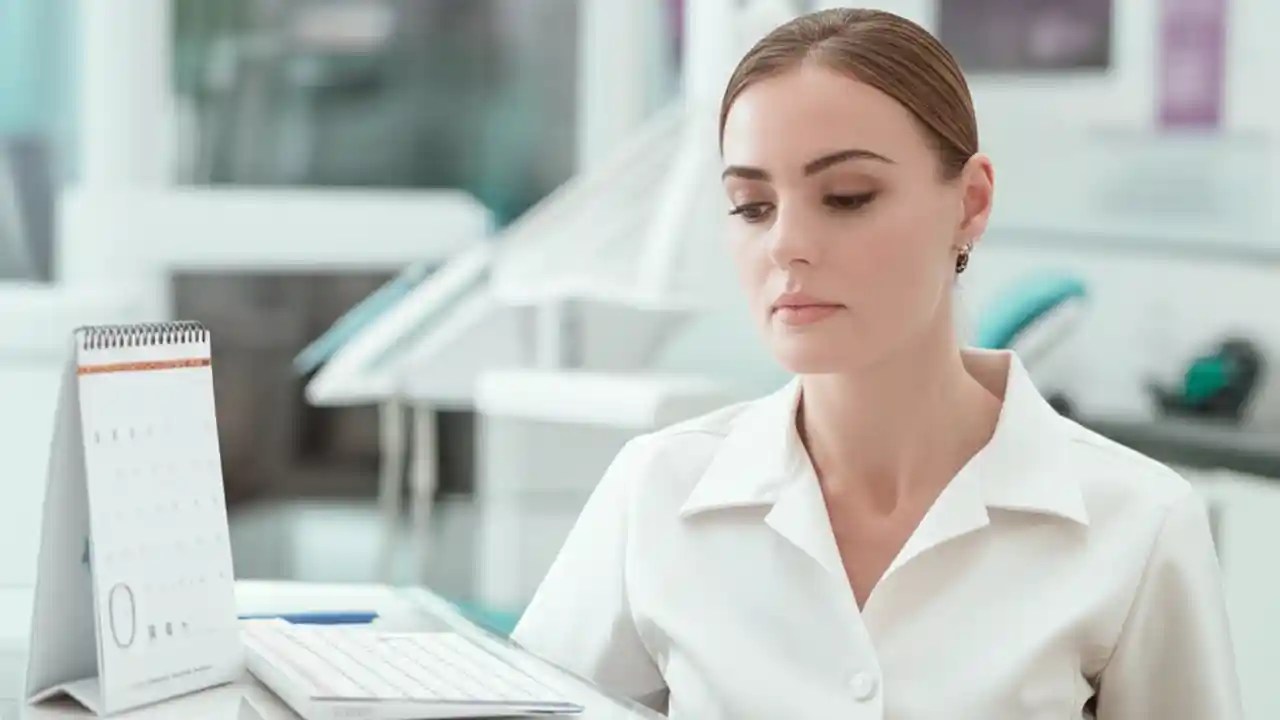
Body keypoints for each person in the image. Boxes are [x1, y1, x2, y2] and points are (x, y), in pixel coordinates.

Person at [511, 8, 1242, 719]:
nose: (786, 245)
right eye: (752, 206)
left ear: (971, 203)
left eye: (847, 197)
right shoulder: (658, 495)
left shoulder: (1137, 524)